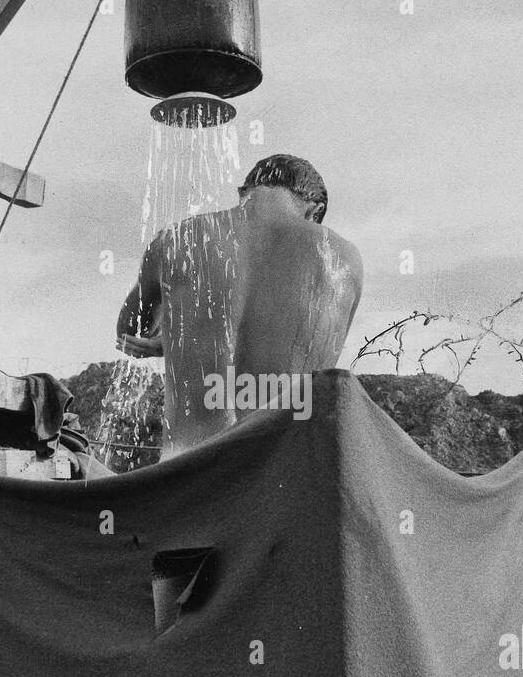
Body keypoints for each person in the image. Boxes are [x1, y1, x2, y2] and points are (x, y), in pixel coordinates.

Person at [116, 153, 363, 456]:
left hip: (184, 466)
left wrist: (178, 336)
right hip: (281, 466)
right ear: (315, 209)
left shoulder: (177, 239)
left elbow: (129, 332)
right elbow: (315, 356)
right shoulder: (343, 259)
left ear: (244, 192)